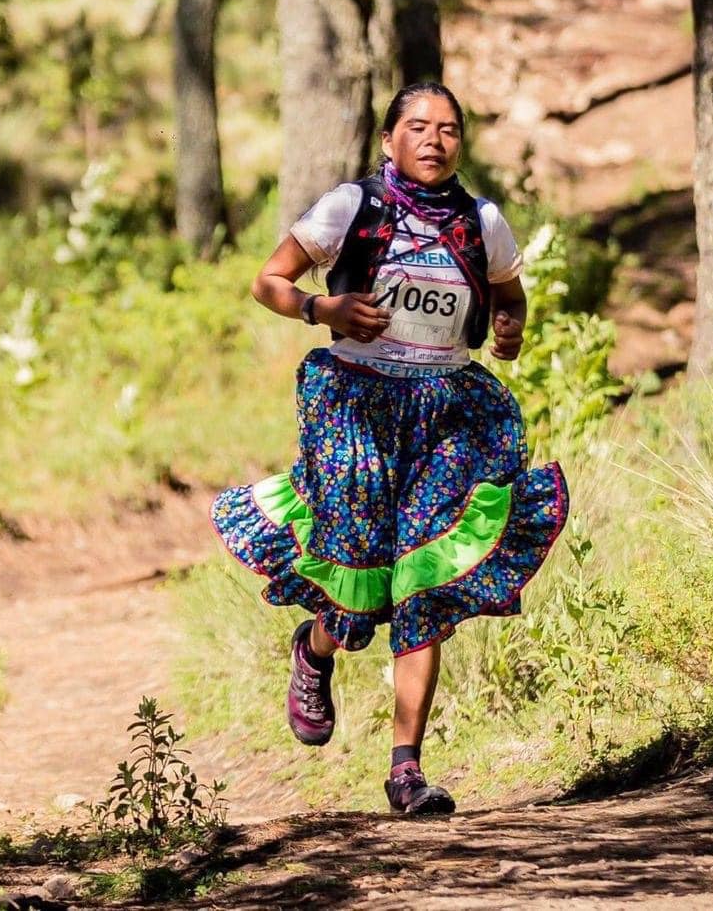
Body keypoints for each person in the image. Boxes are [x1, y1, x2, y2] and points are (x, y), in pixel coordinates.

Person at [211, 82, 568, 815]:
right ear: (388, 138)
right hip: (353, 399)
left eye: (448, 129)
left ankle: (406, 769)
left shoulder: (482, 220)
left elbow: (509, 292)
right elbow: (268, 281)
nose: (434, 139)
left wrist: (511, 327)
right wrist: (322, 307)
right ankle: (316, 651)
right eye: (418, 126)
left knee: (423, 579)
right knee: (357, 569)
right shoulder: (353, 208)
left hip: (447, 409)